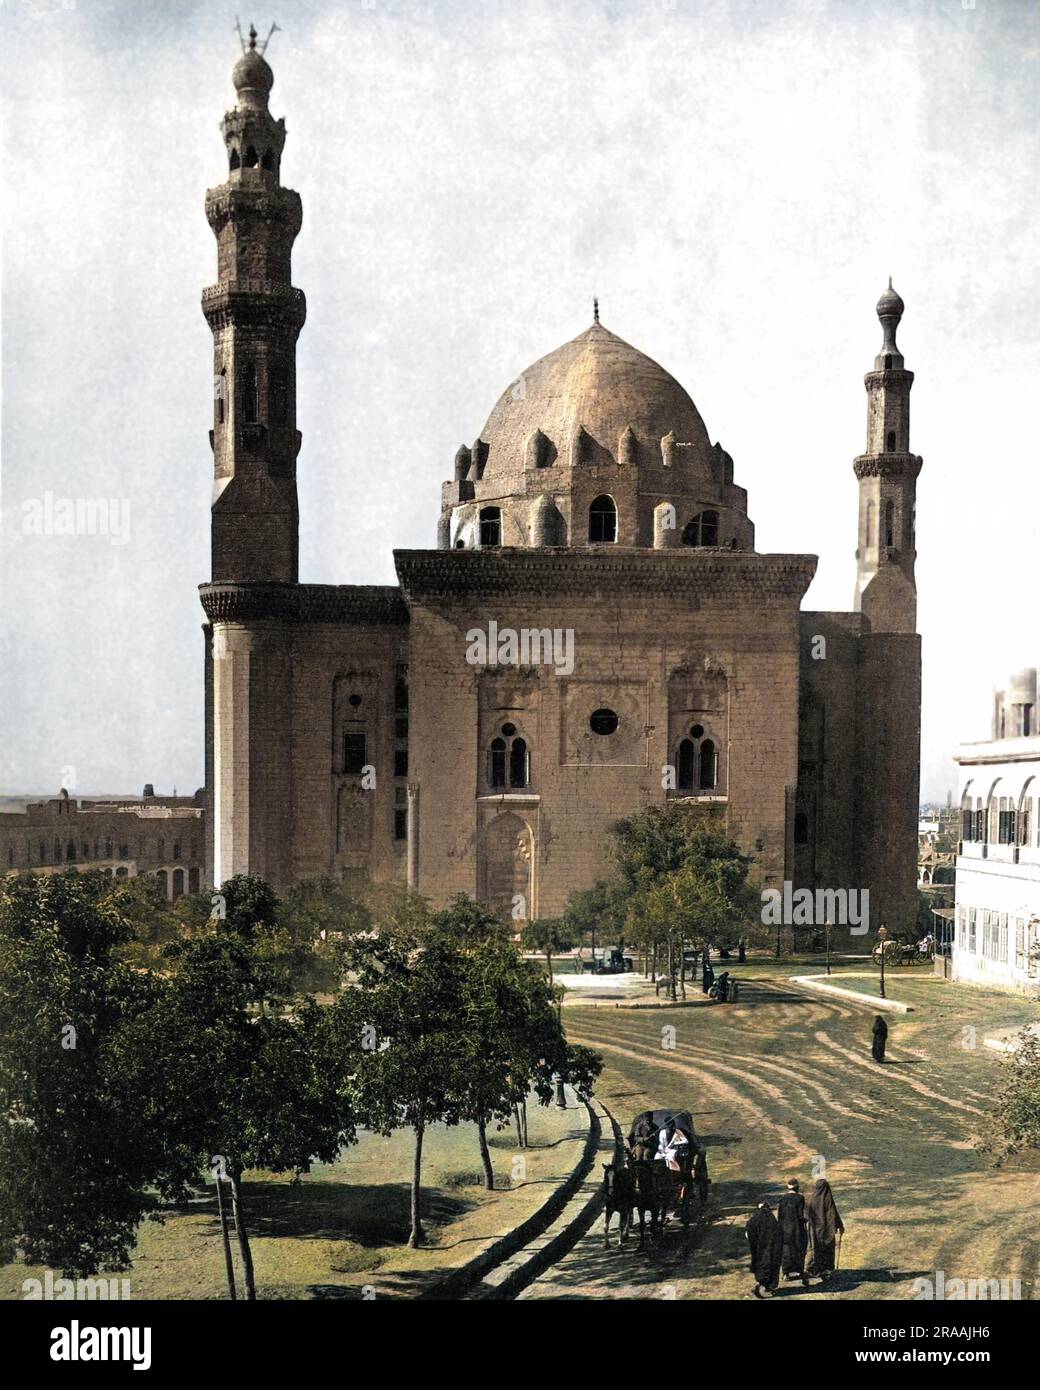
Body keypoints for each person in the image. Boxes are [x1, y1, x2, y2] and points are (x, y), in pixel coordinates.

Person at [806, 1178, 845, 1281]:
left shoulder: (812, 1198)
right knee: (827, 1250)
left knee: (815, 1249)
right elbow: (833, 1213)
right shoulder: (828, 1199)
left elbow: (808, 1215)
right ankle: (826, 1270)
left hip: (814, 1230)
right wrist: (840, 1226)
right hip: (827, 1230)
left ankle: (814, 1269)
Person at [745, 1201, 782, 1297]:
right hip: (772, 1248)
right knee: (772, 1267)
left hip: (759, 1249)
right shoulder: (771, 1218)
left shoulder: (755, 1218)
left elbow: (748, 1232)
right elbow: (778, 1232)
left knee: (761, 1267)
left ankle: (760, 1284)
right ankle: (770, 1287)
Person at [776, 1179, 809, 1284]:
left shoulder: (782, 1199)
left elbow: (780, 1216)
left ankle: (786, 1273)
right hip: (797, 1229)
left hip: (784, 1229)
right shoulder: (800, 1198)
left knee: (786, 1251)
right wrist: (805, 1220)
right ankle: (799, 1271)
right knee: (799, 1249)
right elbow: (800, 1215)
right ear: (797, 1188)